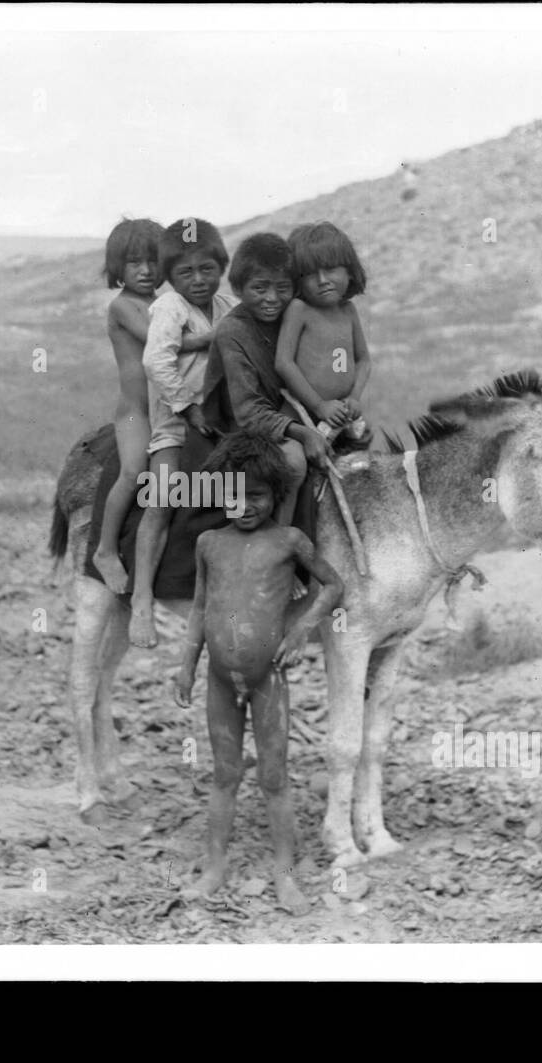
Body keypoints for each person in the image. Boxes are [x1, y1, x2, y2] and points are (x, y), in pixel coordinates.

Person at [173, 431, 344, 916]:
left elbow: (333, 586)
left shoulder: (289, 542)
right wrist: (186, 666)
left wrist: (299, 632)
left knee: (274, 779)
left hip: (268, 679)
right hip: (219, 682)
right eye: (234, 494)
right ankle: (214, 867)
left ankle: (286, 876)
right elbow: (201, 607)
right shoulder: (209, 543)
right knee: (224, 775)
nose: (244, 505)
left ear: (276, 495)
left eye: (257, 496)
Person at [128, 218, 235, 647]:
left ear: (222, 267)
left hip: (223, 419)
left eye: (207, 270)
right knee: (165, 494)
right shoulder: (169, 308)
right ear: (170, 276)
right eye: (185, 273)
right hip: (177, 420)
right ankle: (140, 599)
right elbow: (156, 361)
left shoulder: (228, 307)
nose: (198, 281)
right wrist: (187, 408)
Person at [208, 233, 332, 528]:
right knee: (293, 463)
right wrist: (303, 434)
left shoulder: (296, 316)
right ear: (238, 288)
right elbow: (249, 412)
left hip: (294, 417)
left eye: (282, 288)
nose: (272, 298)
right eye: (259, 288)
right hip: (247, 431)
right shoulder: (232, 331)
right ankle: (278, 540)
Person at [90, 218, 163, 593]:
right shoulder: (124, 306)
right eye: (135, 262)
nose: (146, 270)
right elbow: (158, 340)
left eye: (153, 260)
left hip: (166, 409)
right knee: (134, 472)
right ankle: (105, 550)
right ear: (119, 266)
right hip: (136, 411)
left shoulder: (166, 302)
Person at [273, 221, 373, 452]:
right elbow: (283, 363)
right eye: (309, 274)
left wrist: (355, 397)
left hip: (342, 417)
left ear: (349, 270)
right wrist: (319, 406)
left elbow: (363, 360)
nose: (322, 280)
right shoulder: (299, 309)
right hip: (301, 415)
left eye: (330, 269)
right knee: (292, 465)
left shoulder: (348, 310)